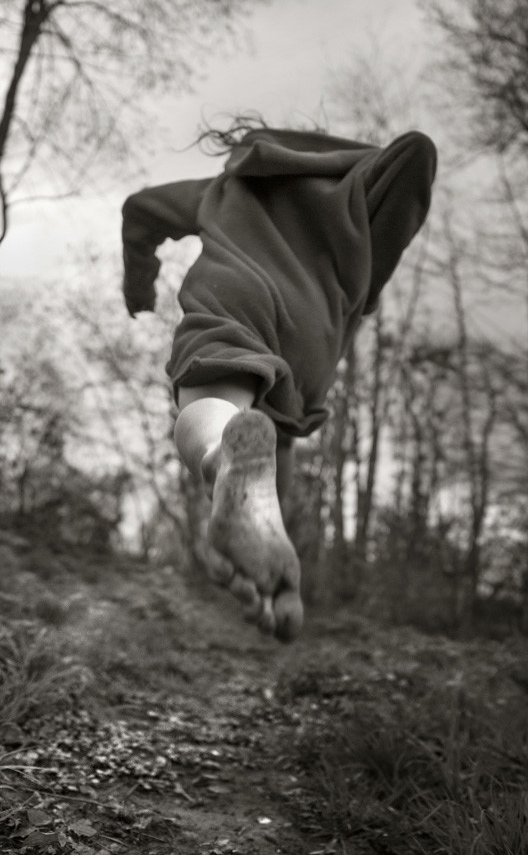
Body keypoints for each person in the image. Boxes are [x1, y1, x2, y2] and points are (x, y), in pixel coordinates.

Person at [121, 119, 437, 643]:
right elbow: (417, 154)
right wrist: (369, 281)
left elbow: (140, 208)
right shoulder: (355, 186)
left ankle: (217, 458)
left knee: (219, 389)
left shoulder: (228, 185)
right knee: (278, 434)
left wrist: (139, 284)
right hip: (318, 336)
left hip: (237, 290)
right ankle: (272, 581)